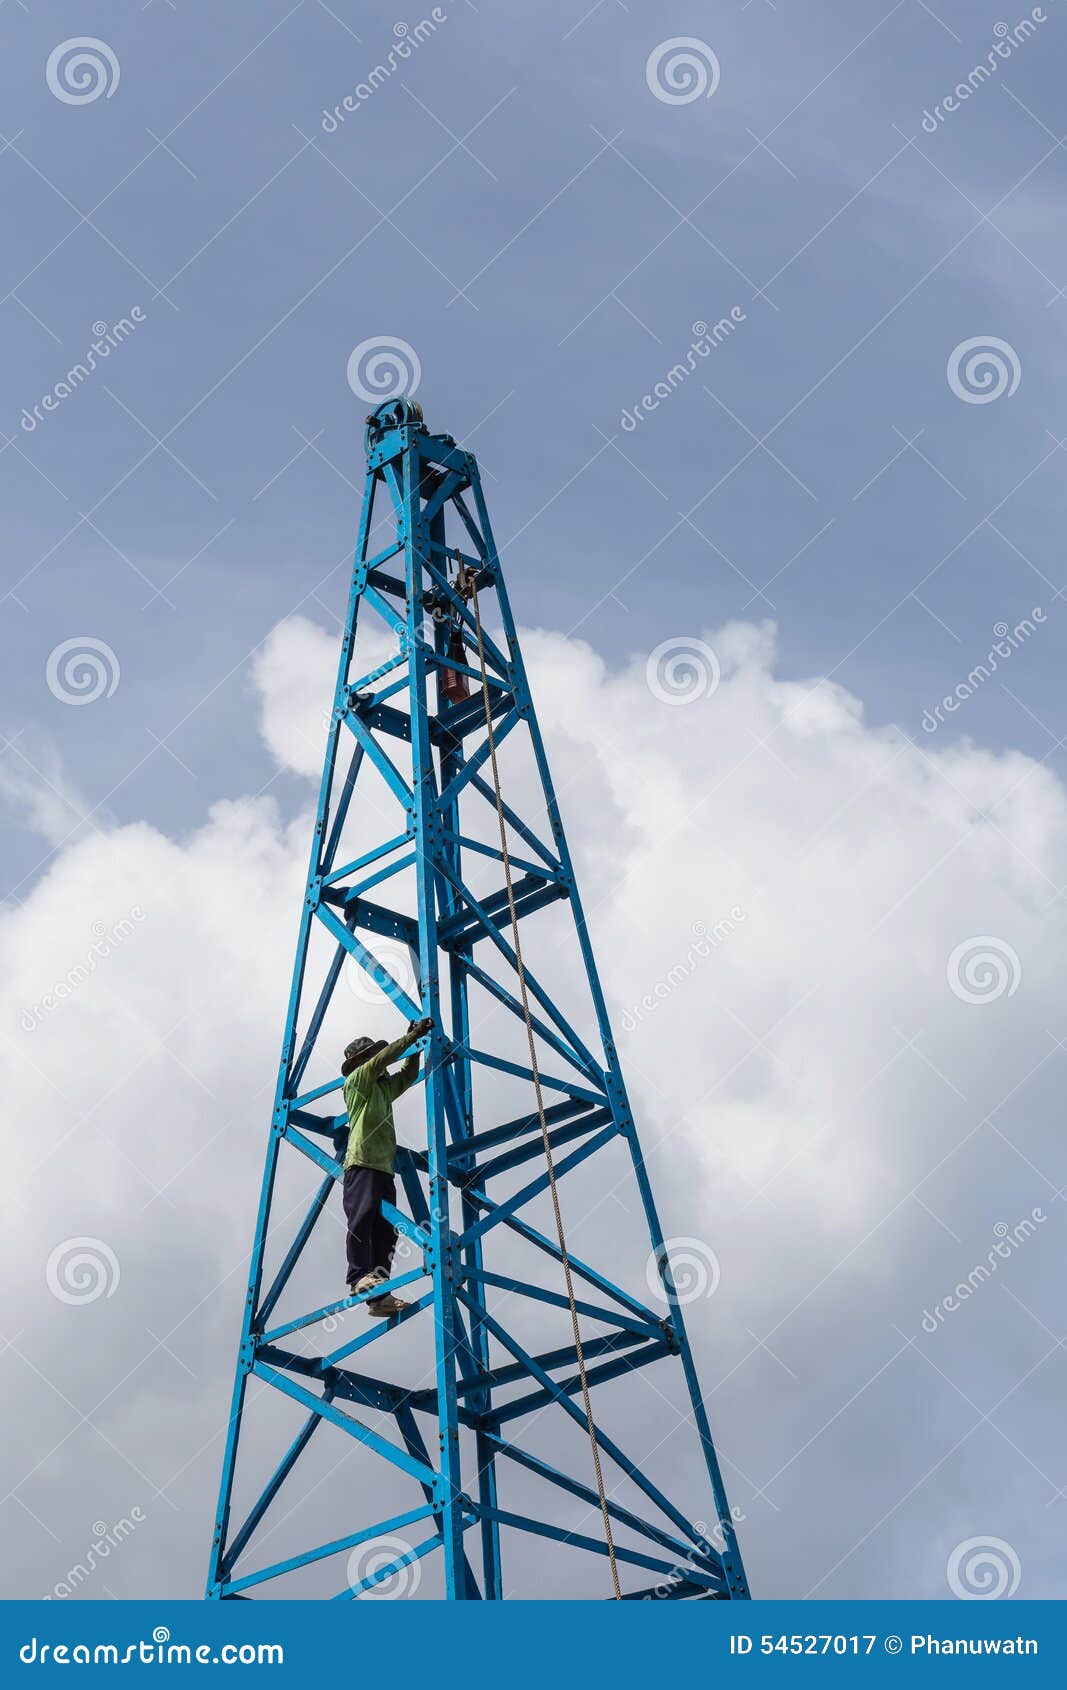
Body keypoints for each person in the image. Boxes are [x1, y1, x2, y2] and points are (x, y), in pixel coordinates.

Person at [341, 1016, 432, 1316]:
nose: (381, 1064)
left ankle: (379, 1292)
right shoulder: (357, 1082)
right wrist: (410, 1039)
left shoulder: (380, 1089)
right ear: (363, 1061)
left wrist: (415, 1050)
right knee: (362, 1219)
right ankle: (358, 1277)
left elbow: (406, 1076)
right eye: (372, 1057)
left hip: (382, 1167)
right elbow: (383, 1058)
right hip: (362, 1163)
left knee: (386, 1230)